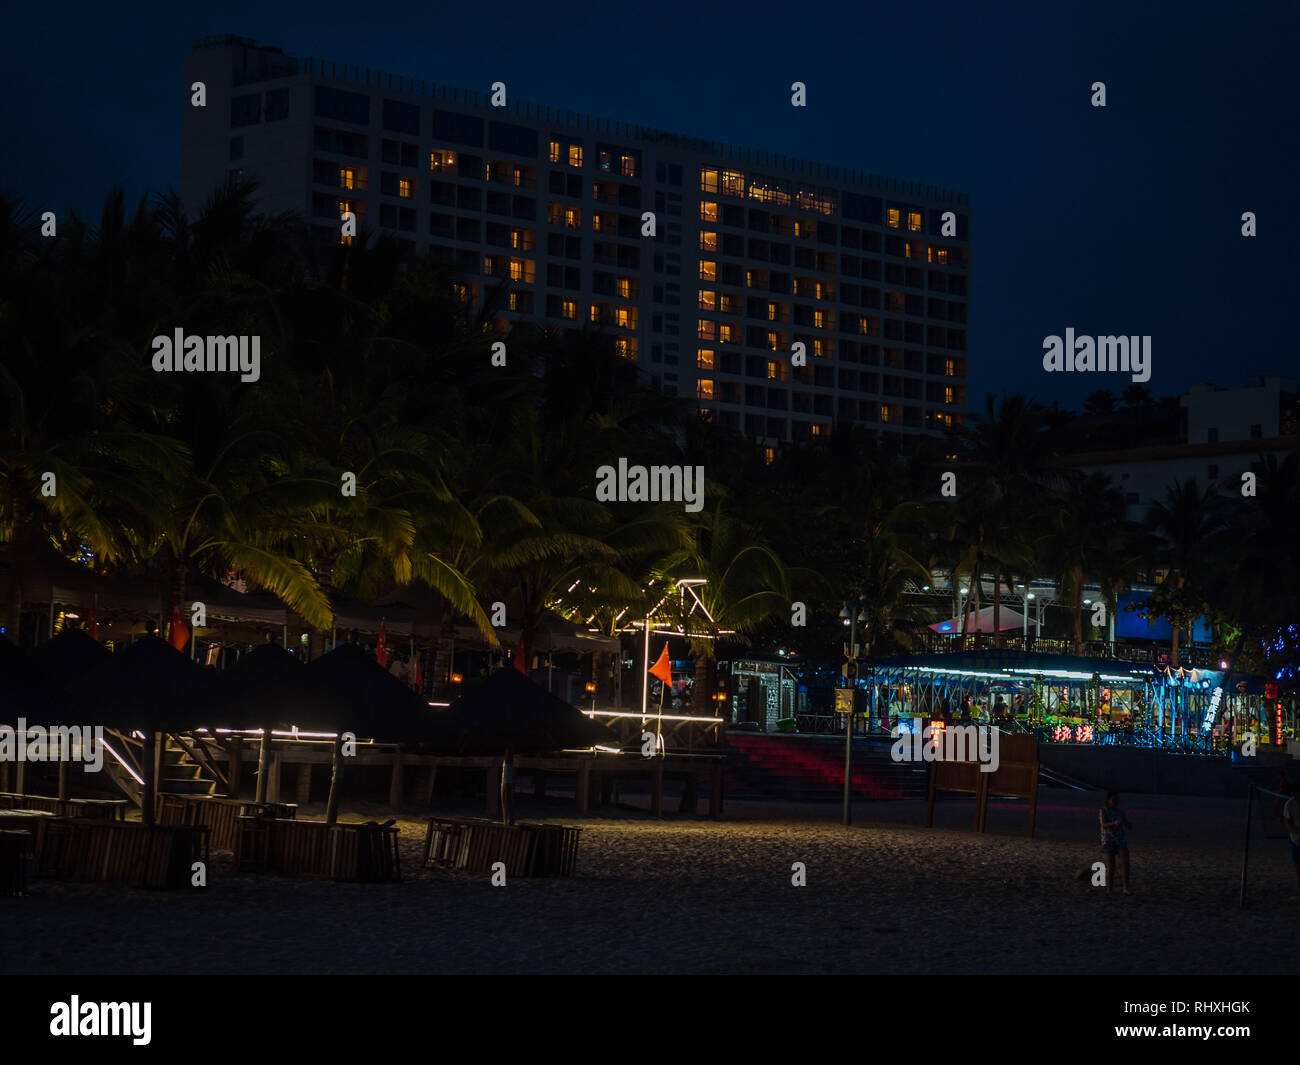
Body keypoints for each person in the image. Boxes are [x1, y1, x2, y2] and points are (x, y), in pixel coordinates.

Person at [1100, 791, 1132, 895]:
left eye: (1117, 800)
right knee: (1111, 866)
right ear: (1108, 801)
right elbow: (1103, 824)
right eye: (1113, 800)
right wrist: (1114, 823)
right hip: (1108, 841)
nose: (1116, 802)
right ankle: (1109, 889)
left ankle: (1125, 888)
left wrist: (1128, 825)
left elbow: (1126, 823)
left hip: (1120, 840)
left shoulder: (1120, 811)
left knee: (1125, 863)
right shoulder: (1103, 810)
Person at [1284, 779, 1300, 901]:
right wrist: (1296, 832)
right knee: (1298, 870)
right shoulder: (1289, 804)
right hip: (1295, 841)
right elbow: (1288, 823)